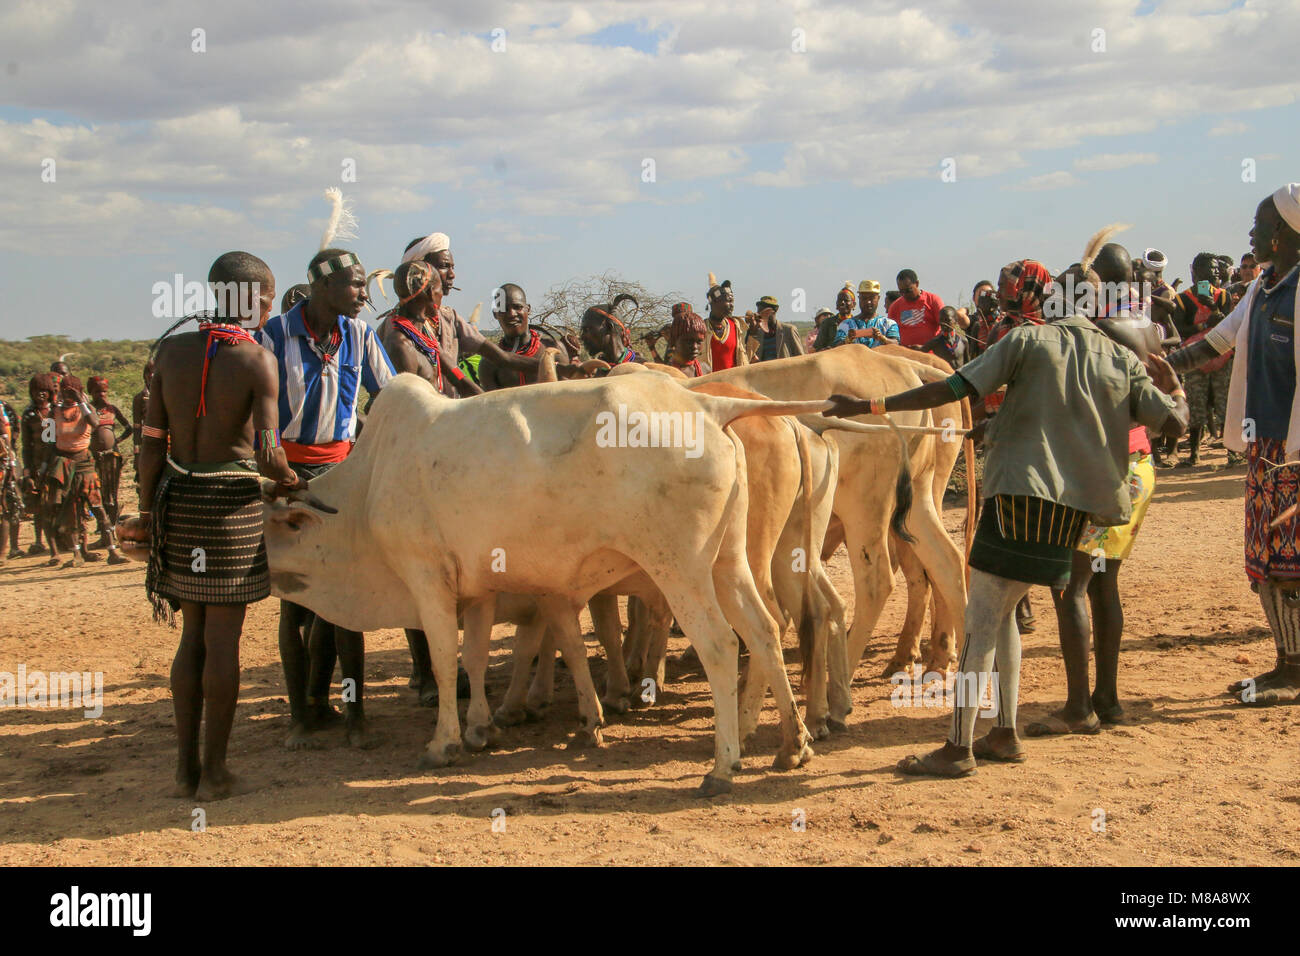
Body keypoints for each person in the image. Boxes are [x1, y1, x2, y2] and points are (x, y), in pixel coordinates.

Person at [825, 258, 1187, 777]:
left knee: (980, 620)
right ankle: (1003, 733)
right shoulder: (1119, 356)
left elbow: (950, 391)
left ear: (1053, 302)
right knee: (1006, 613)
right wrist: (1174, 388)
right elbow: (1172, 424)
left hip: (1019, 498)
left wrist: (868, 408)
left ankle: (957, 747)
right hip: (1074, 511)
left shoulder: (1029, 342)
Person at [133, 251, 302, 800]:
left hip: (179, 500)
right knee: (223, 643)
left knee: (192, 639)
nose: (270, 308)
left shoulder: (171, 353)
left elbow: (151, 444)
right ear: (251, 299)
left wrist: (146, 508)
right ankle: (216, 774)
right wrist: (293, 482)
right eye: (269, 298)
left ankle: (184, 771)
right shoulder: (257, 360)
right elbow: (269, 451)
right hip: (231, 508)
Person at [1167, 185, 1300, 706]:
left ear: (1283, 233)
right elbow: (1216, 343)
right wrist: (1158, 366)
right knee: (1267, 559)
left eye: (1257, 223)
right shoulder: (1263, 287)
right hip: (1264, 444)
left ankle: (1294, 673)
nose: (1249, 233)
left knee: (1291, 563)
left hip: (1294, 448)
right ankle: (1286, 665)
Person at [259, 244, 394, 749]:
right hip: (285, 475)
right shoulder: (272, 337)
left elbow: (392, 394)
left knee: (344, 599)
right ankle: (305, 712)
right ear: (321, 286)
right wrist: (279, 471)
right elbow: (260, 418)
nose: (365, 293)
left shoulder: (358, 335)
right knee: (296, 601)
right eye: (356, 284)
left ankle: (355, 712)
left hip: (341, 472)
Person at [1036, 253, 1170, 735]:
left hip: (1102, 469)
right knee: (1103, 582)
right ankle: (1107, 699)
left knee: (1069, 586)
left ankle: (1079, 708)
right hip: (1139, 463)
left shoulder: (1096, 335)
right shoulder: (1147, 325)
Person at [42, 375, 129, 567]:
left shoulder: (87, 409)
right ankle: (76, 555)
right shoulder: (53, 412)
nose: (68, 394)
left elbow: (95, 422)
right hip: (65, 464)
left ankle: (112, 553)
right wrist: (46, 466)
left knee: (98, 508)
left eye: (72, 390)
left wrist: (81, 400)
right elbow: (47, 439)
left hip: (84, 463)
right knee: (71, 510)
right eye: (65, 390)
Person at [1167, 252, 1235, 467]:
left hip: (1222, 357)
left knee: (1224, 405)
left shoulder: (1223, 296)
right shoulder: (1182, 299)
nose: (1214, 272)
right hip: (1195, 359)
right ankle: (1194, 453)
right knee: (1197, 404)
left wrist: (1213, 308)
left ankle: (1232, 453)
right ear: (1195, 273)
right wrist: (1204, 326)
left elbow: (1228, 323)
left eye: (1216, 268)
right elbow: (1179, 330)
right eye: (1209, 268)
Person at [477, 283, 572, 389]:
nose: (511, 314)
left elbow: (566, 397)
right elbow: (491, 403)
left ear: (528, 309)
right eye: (504, 309)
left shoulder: (554, 349)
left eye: (517, 307)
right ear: (495, 314)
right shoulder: (489, 363)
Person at [86, 376, 130, 527]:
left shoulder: (112, 409)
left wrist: (116, 441)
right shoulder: (87, 410)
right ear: (90, 392)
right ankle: (102, 526)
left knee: (112, 492)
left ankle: (112, 524)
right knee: (98, 492)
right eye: (98, 391)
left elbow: (129, 428)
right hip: (94, 457)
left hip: (112, 456)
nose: (102, 395)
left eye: (104, 391)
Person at [20, 374, 55, 555]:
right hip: (36, 465)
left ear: (50, 392)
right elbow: (26, 446)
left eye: (44, 391)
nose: (40, 394)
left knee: (57, 503)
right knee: (39, 505)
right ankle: (39, 541)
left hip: (56, 464)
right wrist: (27, 472)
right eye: (36, 391)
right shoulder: (29, 415)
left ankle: (61, 541)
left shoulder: (57, 410)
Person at [887, 269, 945, 348]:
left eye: (908, 290)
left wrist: (926, 347)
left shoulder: (933, 300)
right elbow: (890, 334)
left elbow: (945, 329)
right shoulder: (895, 307)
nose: (904, 295)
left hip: (931, 354)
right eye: (901, 292)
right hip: (904, 356)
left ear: (917, 284)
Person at [834, 281, 900, 349]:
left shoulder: (888, 324)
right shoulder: (846, 325)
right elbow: (836, 348)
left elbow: (896, 345)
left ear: (878, 298)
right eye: (864, 298)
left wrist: (882, 338)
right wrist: (848, 340)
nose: (868, 302)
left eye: (872, 298)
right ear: (859, 298)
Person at [704, 274, 747, 369]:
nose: (732, 305)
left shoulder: (736, 326)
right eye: (729, 301)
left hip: (732, 382)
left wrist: (753, 332)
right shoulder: (702, 328)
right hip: (708, 382)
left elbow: (744, 359)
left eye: (732, 301)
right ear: (714, 302)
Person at [744, 295, 805, 361]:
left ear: (774, 311)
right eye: (759, 313)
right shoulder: (756, 333)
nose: (761, 316)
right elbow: (747, 356)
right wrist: (752, 329)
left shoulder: (789, 330)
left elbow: (800, 357)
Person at [655, 303, 709, 377]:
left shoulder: (705, 369)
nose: (695, 347)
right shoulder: (667, 372)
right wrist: (652, 347)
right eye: (689, 341)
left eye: (699, 342)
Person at [131, 360, 156, 501]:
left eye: (154, 371)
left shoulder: (168, 394)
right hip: (147, 444)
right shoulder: (140, 398)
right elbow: (136, 427)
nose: (151, 375)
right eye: (148, 372)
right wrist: (137, 454)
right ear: (144, 375)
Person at [961, 280, 1000, 358]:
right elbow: (973, 354)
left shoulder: (1003, 320)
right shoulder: (975, 322)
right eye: (981, 295)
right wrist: (965, 309)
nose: (985, 298)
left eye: (988, 294)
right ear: (974, 298)